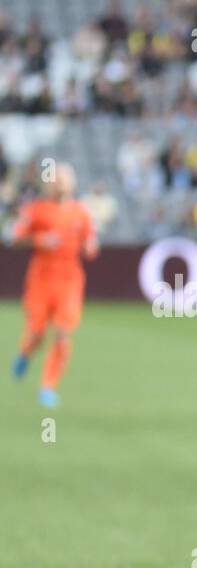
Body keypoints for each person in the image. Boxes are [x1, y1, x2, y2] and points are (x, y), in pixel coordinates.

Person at [10, 163, 98, 408]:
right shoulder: (36, 210)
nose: (59, 183)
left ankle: (48, 386)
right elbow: (15, 238)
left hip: (69, 281)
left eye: (64, 179)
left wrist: (90, 248)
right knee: (37, 333)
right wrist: (39, 239)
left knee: (62, 333)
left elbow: (91, 241)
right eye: (55, 179)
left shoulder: (81, 212)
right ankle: (26, 352)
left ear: (73, 183)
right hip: (40, 280)